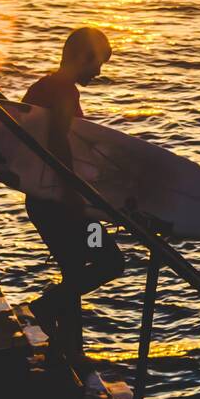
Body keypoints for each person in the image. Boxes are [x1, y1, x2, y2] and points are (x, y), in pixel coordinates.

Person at [24, 27, 123, 368]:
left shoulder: (41, 85)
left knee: (73, 272)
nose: (98, 72)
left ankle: (67, 350)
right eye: (97, 64)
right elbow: (58, 146)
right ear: (82, 57)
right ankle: (45, 308)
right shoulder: (63, 92)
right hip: (59, 199)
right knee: (111, 263)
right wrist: (75, 197)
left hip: (40, 196)